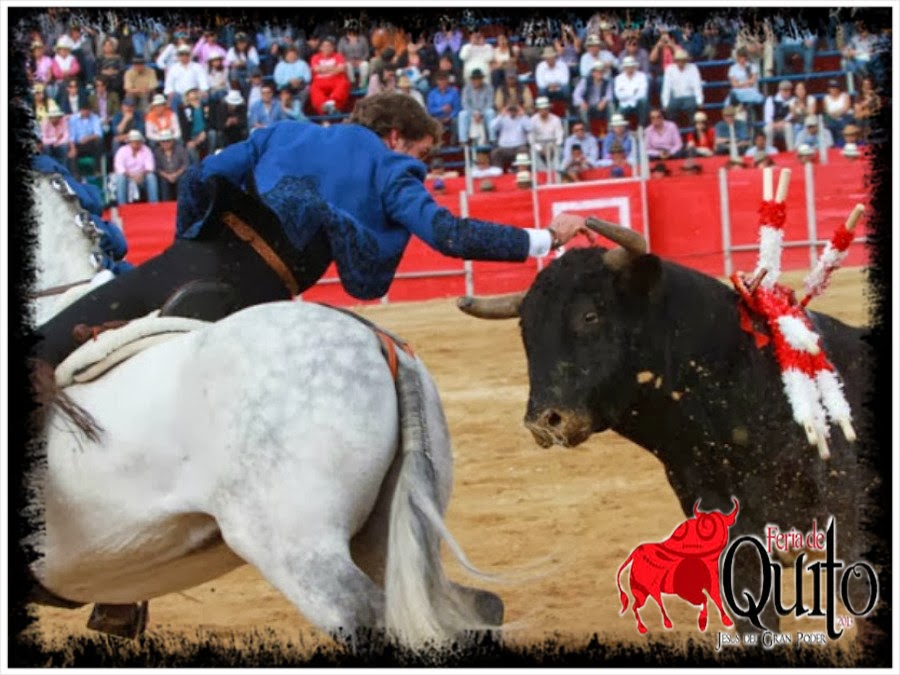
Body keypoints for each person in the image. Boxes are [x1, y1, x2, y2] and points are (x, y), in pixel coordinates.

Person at [31, 92, 592, 369]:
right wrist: (543, 238)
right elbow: (447, 234)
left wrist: (188, 241)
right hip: (256, 300)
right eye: (423, 153)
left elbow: (202, 175)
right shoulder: (390, 167)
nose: (424, 166)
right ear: (396, 136)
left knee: (35, 354)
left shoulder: (282, 131)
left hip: (185, 264)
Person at [112, 129, 160, 204]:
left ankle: (153, 204)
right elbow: (120, 167)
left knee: (151, 177)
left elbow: (150, 167)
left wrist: (141, 175)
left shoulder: (146, 150)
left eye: (138, 141)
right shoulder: (122, 151)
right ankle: (122, 204)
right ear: (130, 142)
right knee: (120, 177)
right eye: (134, 141)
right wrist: (131, 176)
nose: (136, 143)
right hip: (127, 177)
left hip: (142, 177)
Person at [659, 48, 703, 128]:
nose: (681, 62)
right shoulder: (670, 69)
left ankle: (692, 132)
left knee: (692, 106)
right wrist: (665, 103)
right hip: (676, 98)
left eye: (683, 60)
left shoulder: (693, 68)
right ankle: (672, 132)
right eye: (678, 60)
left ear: (686, 60)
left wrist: (699, 100)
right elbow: (666, 88)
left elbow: (697, 86)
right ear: (675, 61)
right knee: (670, 108)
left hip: (690, 97)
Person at [309, 36, 351, 115]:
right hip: (320, 81)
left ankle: (331, 103)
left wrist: (323, 69)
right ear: (320, 48)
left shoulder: (338, 56)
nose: (326, 48)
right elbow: (316, 69)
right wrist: (333, 68)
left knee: (344, 84)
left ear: (332, 48)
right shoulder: (315, 57)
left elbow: (341, 69)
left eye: (329, 46)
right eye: (324, 46)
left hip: (336, 79)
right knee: (314, 88)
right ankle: (324, 107)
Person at [164, 44, 210, 111]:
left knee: (205, 97)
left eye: (186, 54)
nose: (184, 56)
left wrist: (203, 90)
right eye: (181, 54)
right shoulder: (173, 68)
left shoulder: (197, 67)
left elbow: (203, 80)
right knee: (173, 98)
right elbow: (169, 84)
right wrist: (170, 92)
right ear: (178, 56)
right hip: (180, 95)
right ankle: (177, 120)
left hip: (195, 93)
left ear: (190, 55)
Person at [67, 99, 105, 179]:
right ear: (80, 110)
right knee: (70, 149)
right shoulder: (73, 119)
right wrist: (73, 148)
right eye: (84, 110)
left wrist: (88, 138)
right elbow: (71, 137)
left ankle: (97, 171)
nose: (86, 112)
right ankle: (75, 175)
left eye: (87, 110)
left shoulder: (95, 117)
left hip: (90, 143)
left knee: (99, 142)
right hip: (77, 144)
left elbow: (98, 134)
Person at [457, 68, 495, 146]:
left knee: (491, 112)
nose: (476, 81)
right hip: (471, 112)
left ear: (482, 79)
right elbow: (465, 103)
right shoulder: (466, 88)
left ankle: (492, 139)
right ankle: (463, 140)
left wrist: (480, 114)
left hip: (484, 111)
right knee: (462, 114)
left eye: (478, 78)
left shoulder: (488, 88)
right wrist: (474, 113)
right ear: (471, 79)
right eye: (474, 79)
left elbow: (490, 103)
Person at [572, 61, 613, 128]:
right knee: (583, 109)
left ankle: (611, 128)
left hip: (600, 106)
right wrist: (582, 102)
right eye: (597, 71)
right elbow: (576, 94)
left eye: (601, 71)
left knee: (610, 105)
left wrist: (604, 101)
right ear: (593, 73)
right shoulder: (585, 81)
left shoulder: (606, 82)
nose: (600, 73)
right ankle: (587, 130)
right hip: (588, 105)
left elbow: (609, 95)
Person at [153, 129, 189, 201]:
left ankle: (181, 204)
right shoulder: (157, 152)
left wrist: (176, 174)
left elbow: (185, 164)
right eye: (163, 141)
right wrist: (167, 175)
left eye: (168, 140)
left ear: (172, 141)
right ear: (160, 142)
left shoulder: (180, 149)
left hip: (178, 173)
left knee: (182, 179)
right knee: (163, 182)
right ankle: (165, 206)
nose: (165, 143)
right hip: (165, 175)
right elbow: (157, 168)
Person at [529, 96, 564, 171]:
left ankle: (554, 170)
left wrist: (553, 147)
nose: (543, 111)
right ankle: (543, 171)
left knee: (560, 150)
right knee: (532, 151)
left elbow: (559, 137)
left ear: (548, 108)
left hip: (553, 146)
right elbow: (531, 138)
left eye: (545, 108)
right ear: (537, 109)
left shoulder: (556, 119)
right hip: (539, 147)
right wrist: (540, 149)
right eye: (541, 109)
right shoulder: (532, 120)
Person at [613, 55, 649, 127]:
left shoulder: (642, 76)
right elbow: (619, 96)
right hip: (624, 104)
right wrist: (633, 91)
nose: (629, 68)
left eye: (631, 66)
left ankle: (641, 127)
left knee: (643, 101)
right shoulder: (618, 78)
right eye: (627, 67)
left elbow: (643, 94)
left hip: (638, 104)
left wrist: (626, 92)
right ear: (624, 67)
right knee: (617, 116)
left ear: (634, 66)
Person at [177, 87, 209, 164]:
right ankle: (197, 167)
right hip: (192, 135)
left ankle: (210, 160)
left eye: (195, 92)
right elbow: (183, 126)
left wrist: (204, 131)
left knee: (213, 134)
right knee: (190, 147)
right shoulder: (184, 109)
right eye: (191, 94)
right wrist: (189, 140)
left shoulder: (205, 106)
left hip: (204, 133)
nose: (194, 95)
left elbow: (210, 121)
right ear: (187, 97)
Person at [426, 71, 460, 142]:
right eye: (440, 80)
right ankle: (436, 143)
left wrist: (449, 117)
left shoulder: (454, 92)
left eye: (444, 80)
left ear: (447, 80)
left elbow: (457, 108)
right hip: (436, 117)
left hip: (450, 117)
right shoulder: (432, 93)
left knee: (455, 120)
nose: (442, 82)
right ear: (437, 81)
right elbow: (430, 109)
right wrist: (441, 109)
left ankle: (453, 142)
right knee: (431, 121)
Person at [762, 79, 795, 151]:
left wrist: (783, 122)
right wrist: (774, 124)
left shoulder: (792, 100)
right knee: (768, 129)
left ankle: (791, 151)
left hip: (784, 123)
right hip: (773, 123)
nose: (787, 92)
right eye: (784, 90)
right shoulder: (771, 99)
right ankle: (768, 152)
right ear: (780, 90)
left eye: (788, 90)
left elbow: (791, 114)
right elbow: (768, 117)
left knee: (789, 127)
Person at [821, 79, 853, 147]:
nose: (834, 89)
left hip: (844, 117)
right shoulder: (826, 98)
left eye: (835, 87)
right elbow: (826, 111)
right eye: (832, 87)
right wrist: (834, 115)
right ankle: (833, 145)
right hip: (832, 118)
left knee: (843, 123)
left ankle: (844, 144)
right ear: (829, 89)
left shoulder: (845, 95)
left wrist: (837, 113)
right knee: (828, 124)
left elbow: (846, 108)